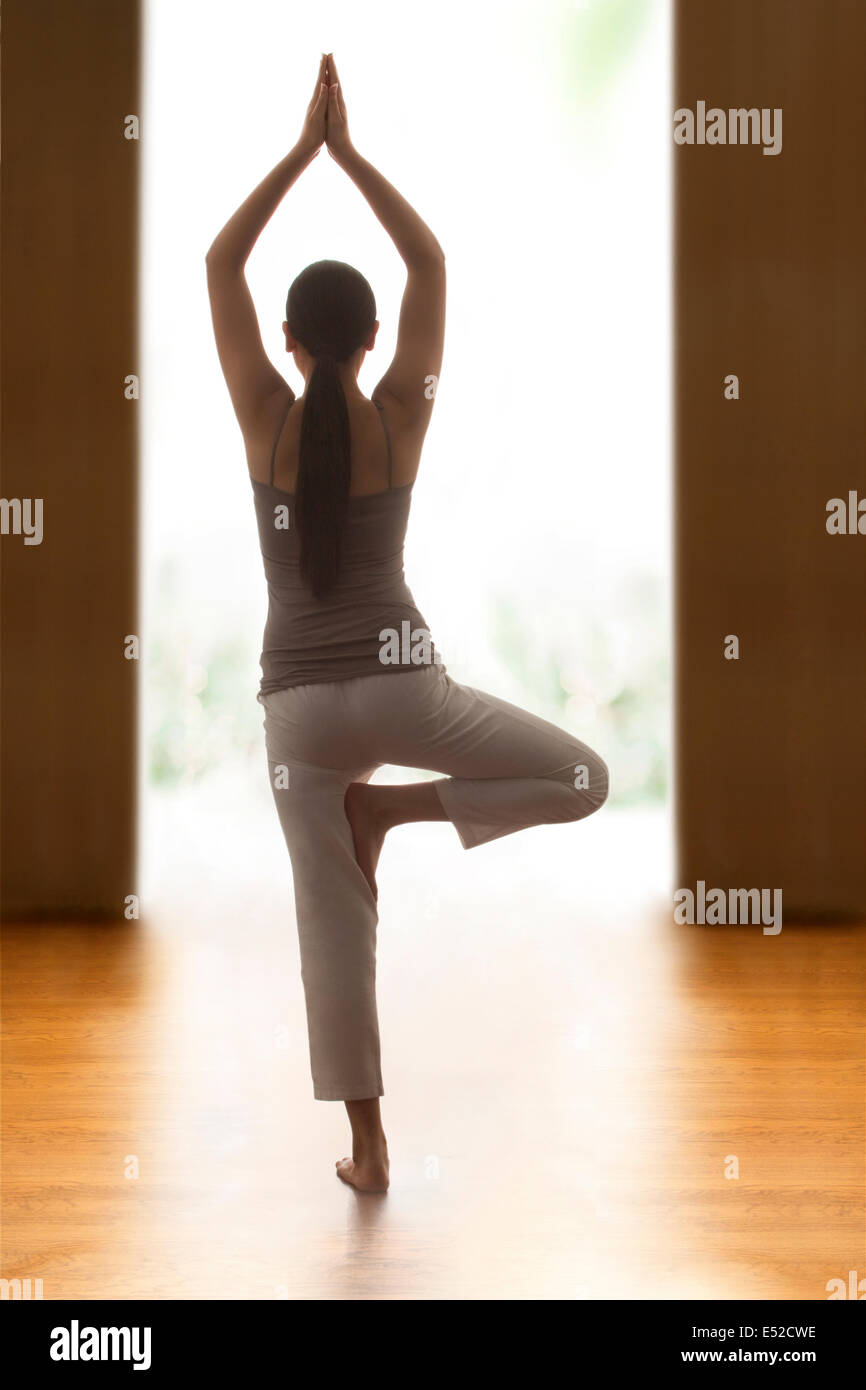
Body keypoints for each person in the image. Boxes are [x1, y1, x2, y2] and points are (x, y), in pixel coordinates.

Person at [206, 54, 609, 1193]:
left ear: (287, 339)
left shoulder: (260, 419)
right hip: (402, 687)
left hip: (295, 713)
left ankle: (370, 1148)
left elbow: (217, 261)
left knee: (329, 920)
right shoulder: (399, 418)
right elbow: (429, 258)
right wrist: (350, 155)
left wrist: (298, 155)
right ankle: (395, 811)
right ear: (373, 339)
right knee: (582, 779)